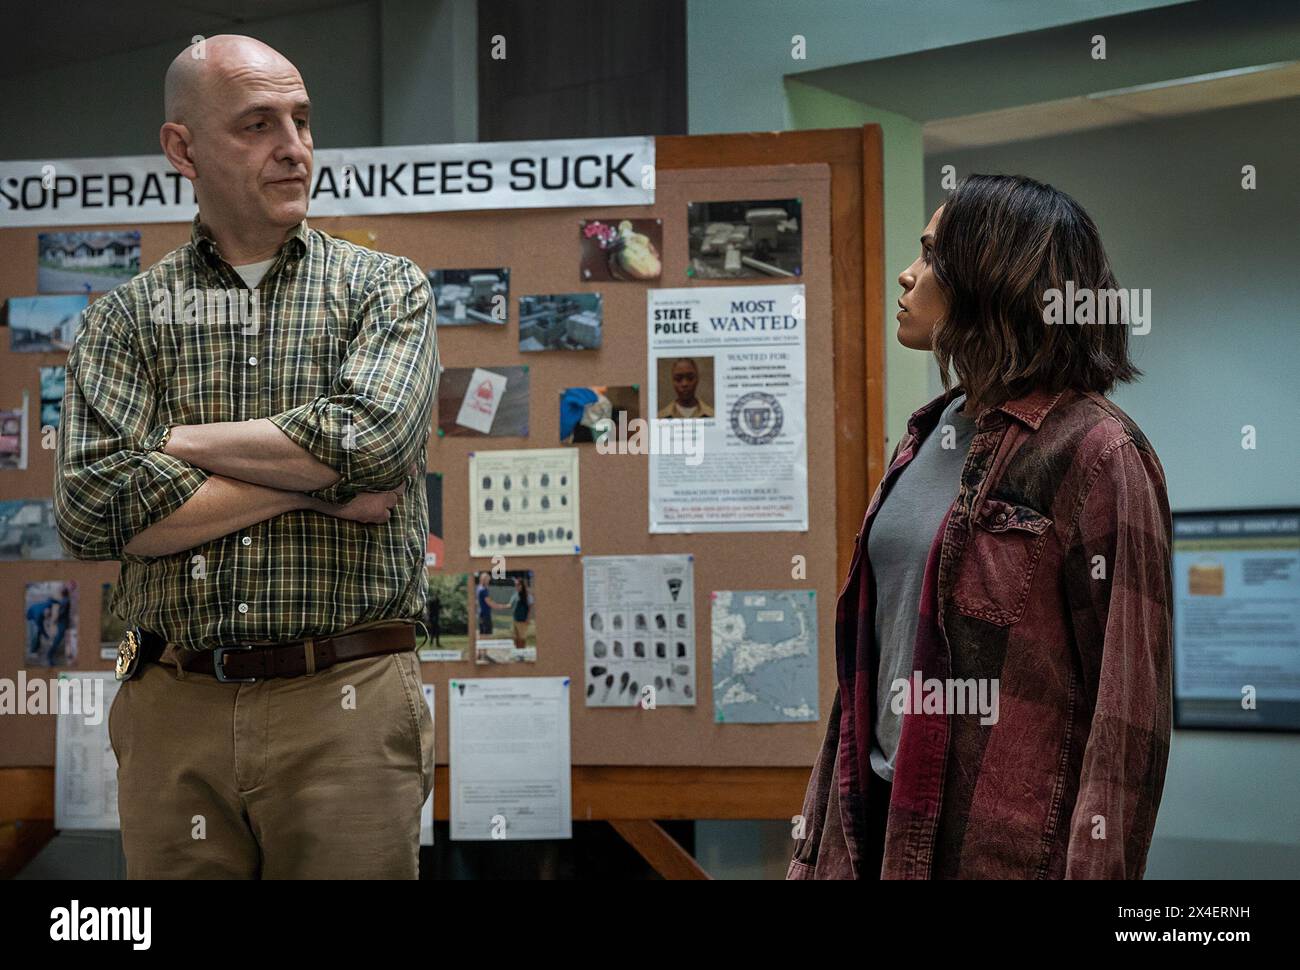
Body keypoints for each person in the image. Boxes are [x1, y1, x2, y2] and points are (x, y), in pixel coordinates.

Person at [53, 35, 438, 879]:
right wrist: (316, 485)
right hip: (173, 704)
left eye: (302, 121)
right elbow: (93, 509)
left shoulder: (387, 289)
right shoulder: (124, 319)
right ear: (183, 148)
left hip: (347, 701)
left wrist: (175, 444)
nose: (294, 148)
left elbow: (373, 443)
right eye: (258, 124)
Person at [789, 174, 1172, 880]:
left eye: (933, 256)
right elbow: (868, 669)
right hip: (872, 832)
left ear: (994, 277)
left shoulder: (1098, 453)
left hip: (995, 855)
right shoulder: (925, 435)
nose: (907, 275)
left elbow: (1129, 717)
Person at [508, 576, 534, 649]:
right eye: (515, 585)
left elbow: (530, 607)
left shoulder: (527, 595)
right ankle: (517, 652)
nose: (516, 586)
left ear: (522, 585)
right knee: (515, 638)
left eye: (518, 585)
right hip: (515, 619)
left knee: (522, 638)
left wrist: (528, 618)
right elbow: (510, 604)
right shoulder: (515, 594)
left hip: (523, 620)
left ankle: (521, 654)